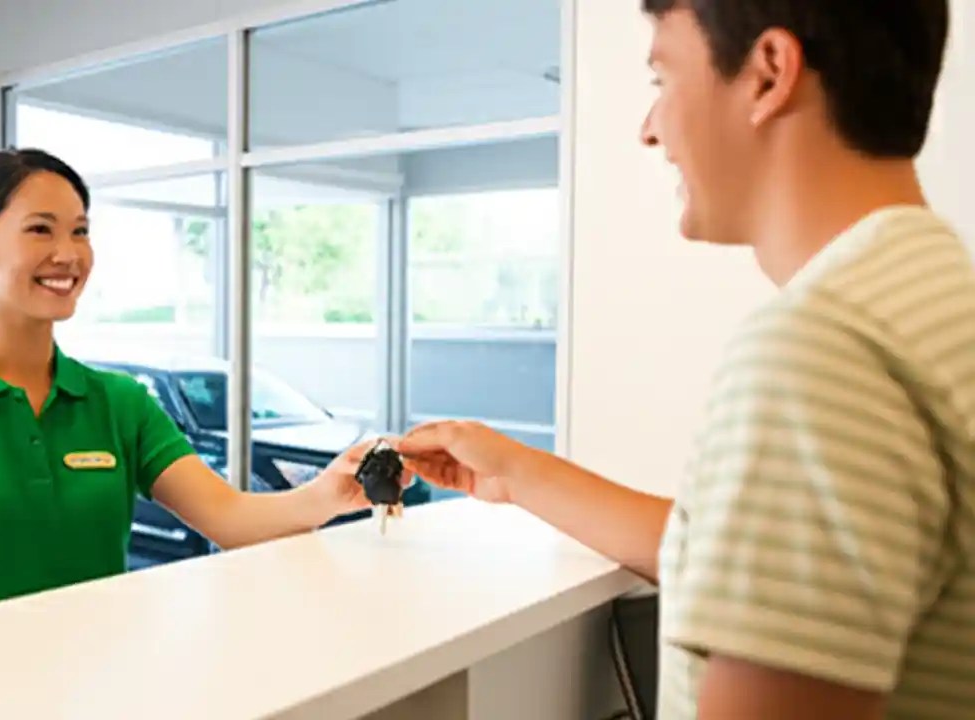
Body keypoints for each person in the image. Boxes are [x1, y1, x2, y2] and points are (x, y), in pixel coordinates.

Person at [399, 2, 973, 718]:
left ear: (768, 74)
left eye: (662, 78)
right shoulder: (933, 299)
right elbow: (746, 555)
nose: (650, 127)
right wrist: (515, 472)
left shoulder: (822, 352)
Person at [0, 148, 404, 632]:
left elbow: (230, 519)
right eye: (41, 229)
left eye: (80, 230)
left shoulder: (119, 402)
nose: (69, 253)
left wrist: (333, 490)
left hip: (103, 692)